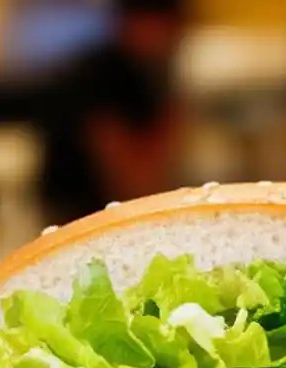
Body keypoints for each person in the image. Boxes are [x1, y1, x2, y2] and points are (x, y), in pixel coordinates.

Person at [37, 0, 186, 224]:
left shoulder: (152, 75)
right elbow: (133, 183)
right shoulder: (100, 79)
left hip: (106, 209)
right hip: (75, 214)